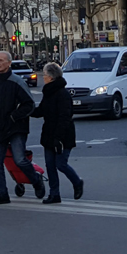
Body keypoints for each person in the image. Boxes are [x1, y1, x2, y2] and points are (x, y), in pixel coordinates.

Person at [0, 50, 43, 204]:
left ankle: (36, 180)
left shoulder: (17, 82)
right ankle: (2, 194)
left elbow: (29, 104)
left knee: (20, 160)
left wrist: (14, 116)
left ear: (9, 63)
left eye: (1, 60)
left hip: (17, 128)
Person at [30, 61, 83, 203]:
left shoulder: (62, 94)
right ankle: (54, 194)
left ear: (52, 77)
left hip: (62, 135)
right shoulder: (49, 92)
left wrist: (58, 138)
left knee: (60, 164)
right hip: (49, 133)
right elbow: (42, 110)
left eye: (45, 75)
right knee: (50, 165)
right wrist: (28, 111)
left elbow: (65, 117)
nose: (43, 77)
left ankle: (77, 182)